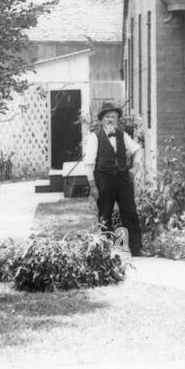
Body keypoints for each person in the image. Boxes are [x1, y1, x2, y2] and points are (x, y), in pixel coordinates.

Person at [80, 103, 143, 256]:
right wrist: (93, 186)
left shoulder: (122, 135)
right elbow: (89, 164)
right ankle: (106, 251)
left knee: (130, 212)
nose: (110, 120)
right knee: (105, 214)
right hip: (104, 180)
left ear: (117, 120)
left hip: (123, 179)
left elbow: (138, 150)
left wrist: (134, 168)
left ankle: (135, 249)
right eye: (107, 117)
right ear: (102, 120)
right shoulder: (95, 137)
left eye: (113, 117)